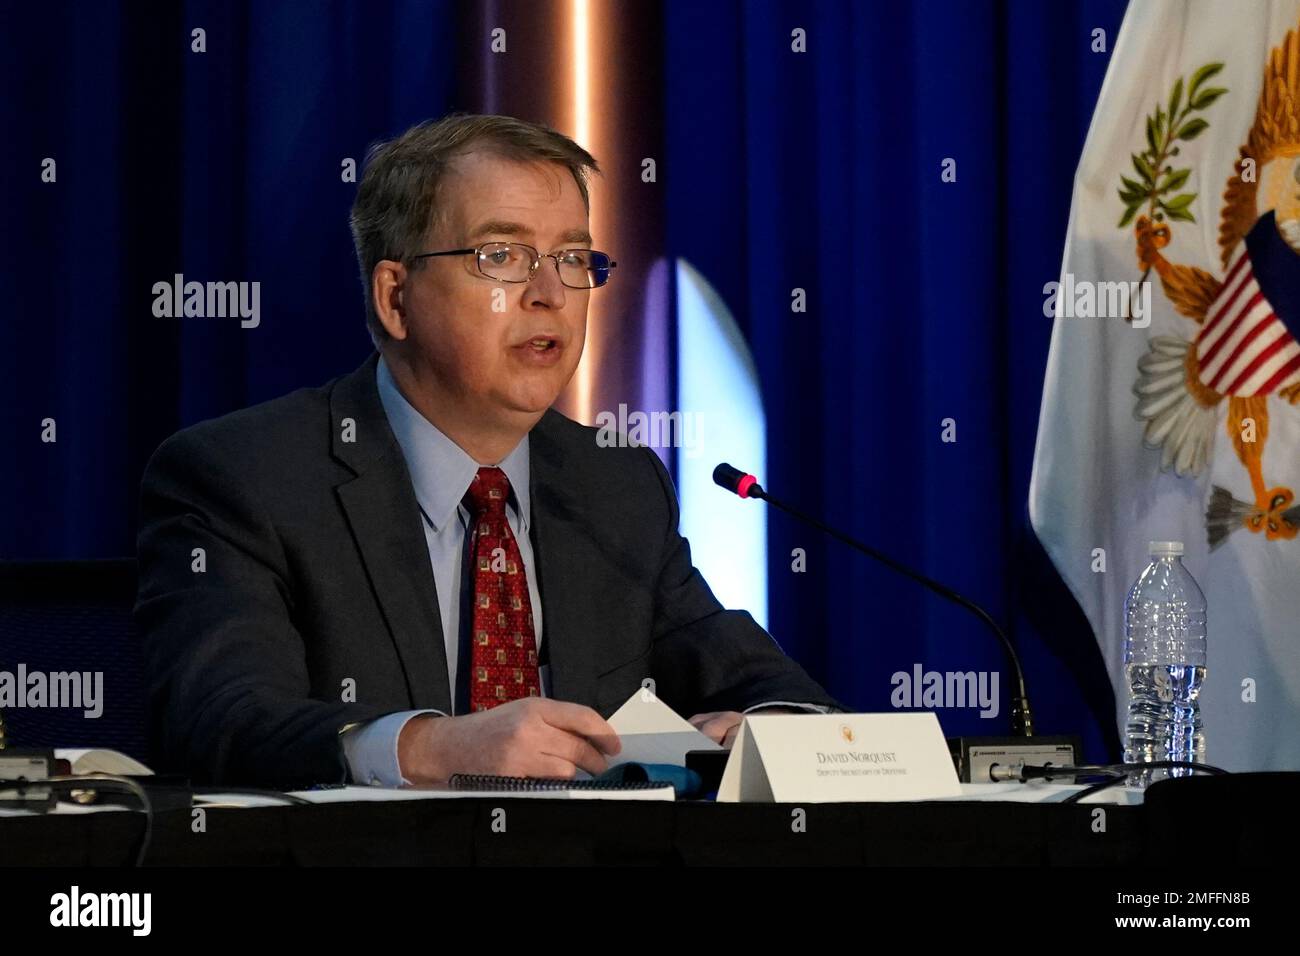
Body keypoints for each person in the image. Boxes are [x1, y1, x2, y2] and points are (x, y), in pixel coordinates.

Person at [135, 112, 842, 790]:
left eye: (570, 257)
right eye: (500, 256)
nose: (548, 293)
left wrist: (770, 727)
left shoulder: (614, 484)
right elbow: (214, 717)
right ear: (395, 298)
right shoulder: (246, 477)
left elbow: (762, 683)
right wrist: (427, 748)